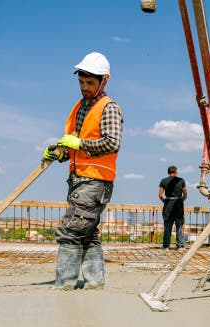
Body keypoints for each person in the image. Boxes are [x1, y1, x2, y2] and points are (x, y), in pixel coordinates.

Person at [42, 52, 123, 290]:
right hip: (78, 180)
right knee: (86, 232)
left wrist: (80, 144)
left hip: (95, 181)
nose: (85, 87)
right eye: (81, 82)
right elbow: (73, 145)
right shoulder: (80, 108)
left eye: (90, 83)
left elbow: (112, 143)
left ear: (104, 81)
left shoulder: (109, 108)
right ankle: (95, 282)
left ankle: (64, 284)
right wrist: (59, 151)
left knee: (71, 230)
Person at [158, 166, 187, 250]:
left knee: (167, 226)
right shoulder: (181, 180)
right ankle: (180, 246)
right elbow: (185, 194)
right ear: (176, 172)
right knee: (179, 226)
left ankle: (166, 246)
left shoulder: (163, 181)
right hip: (178, 204)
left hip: (168, 204)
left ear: (168, 172)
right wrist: (180, 201)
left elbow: (160, 195)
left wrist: (165, 201)